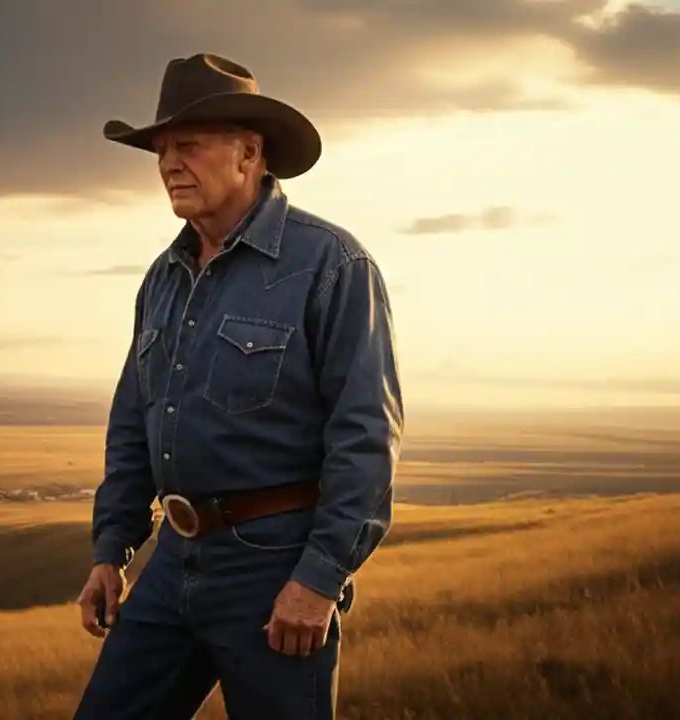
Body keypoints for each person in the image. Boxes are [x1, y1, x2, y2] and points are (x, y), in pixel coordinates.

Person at [73, 53, 404, 719]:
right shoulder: (163, 277)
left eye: (188, 146)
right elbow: (134, 421)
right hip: (174, 561)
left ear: (249, 153)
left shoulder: (331, 265)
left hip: (274, 567)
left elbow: (366, 435)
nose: (169, 164)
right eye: (162, 151)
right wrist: (112, 549)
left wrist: (320, 579)